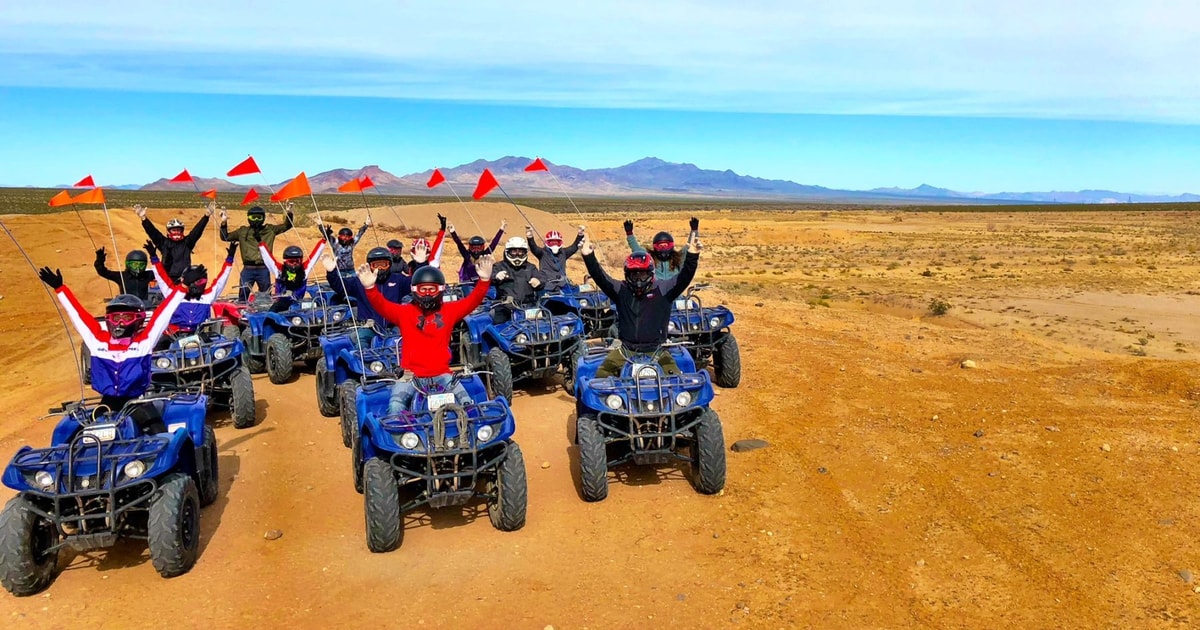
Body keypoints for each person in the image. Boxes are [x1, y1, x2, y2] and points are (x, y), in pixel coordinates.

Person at [39, 267, 185, 418]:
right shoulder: (96, 340)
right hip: (105, 405)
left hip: (136, 404)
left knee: (163, 436)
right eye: (116, 318)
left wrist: (183, 287)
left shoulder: (144, 342)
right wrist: (60, 289)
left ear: (139, 320)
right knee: (76, 437)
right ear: (108, 319)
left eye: (126, 318)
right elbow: (78, 314)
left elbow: (164, 313)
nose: (120, 323)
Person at [359, 254, 494, 413]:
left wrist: (484, 281)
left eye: (432, 289)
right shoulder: (404, 313)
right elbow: (381, 305)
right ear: (415, 290)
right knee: (395, 408)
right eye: (423, 289)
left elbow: (472, 300)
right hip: (410, 376)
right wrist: (370, 289)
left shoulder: (450, 311)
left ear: (441, 289)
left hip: (443, 374)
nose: (428, 294)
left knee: (468, 406)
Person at [581, 229, 701, 378]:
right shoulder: (621, 290)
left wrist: (692, 256)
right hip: (625, 350)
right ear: (627, 274)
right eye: (634, 273)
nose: (638, 279)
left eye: (642, 273)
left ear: (650, 274)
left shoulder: (663, 290)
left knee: (677, 383)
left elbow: (683, 278)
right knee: (600, 380)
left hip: (657, 351)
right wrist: (588, 256)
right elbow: (601, 278)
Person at [323, 247, 410, 346]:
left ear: (389, 265)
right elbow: (340, 286)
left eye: (383, 265)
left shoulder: (398, 279)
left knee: (405, 344)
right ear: (369, 266)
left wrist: (421, 263)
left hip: (394, 326)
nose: (380, 269)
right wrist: (331, 272)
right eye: (376, 265)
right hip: (369, 326)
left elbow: (417, 283)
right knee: (361, 345)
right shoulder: (360, 281)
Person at [150, 242, 238, 333]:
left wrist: (230, 259)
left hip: (200, 336)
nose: (196, 284)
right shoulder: (174, 294)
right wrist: (154, 258)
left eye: (200, 281)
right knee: (157, 345)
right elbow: (161, 277)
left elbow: (221, 279)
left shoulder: (208, 296)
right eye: (193, 280)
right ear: (185, 280)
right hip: (174, 335)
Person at [220, 204, 295, 300]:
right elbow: (225, 237)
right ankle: (242, 314)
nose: (256, 220)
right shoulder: (243, 232)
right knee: (243, 295)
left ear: (263, 218)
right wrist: (223, 222)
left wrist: (289, 213)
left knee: (265, 296)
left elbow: (287, 226)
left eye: (258, 217)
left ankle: (264, 313)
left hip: (263, 268)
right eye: (253, 217)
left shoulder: (269, 230)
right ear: (249, 218)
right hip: (248, 269)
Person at [136, 203, 212, 282]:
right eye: (173, 230)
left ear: (182, 231)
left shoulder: (188, 242)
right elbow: (153, 232)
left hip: (183, 280)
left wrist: (206, 216)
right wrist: (144, 218)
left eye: (178, 230)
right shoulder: (164, 243)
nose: (176, 232)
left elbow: (197, 231)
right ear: (169, 231)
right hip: (167, 279)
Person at [258, 240, 326, 312]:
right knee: (270, 315)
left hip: (298, 304)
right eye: (291, 261)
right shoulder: (279, 270)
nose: (294, 264)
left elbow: (315, 255)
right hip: (281, 304)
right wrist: (260, 243)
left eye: (297, 261)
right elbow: (268, 258)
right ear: (285, 261)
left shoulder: (305, 270)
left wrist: (323, 240)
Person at [490, 236, 548, 321]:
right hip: (505, 308)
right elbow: (487, 278)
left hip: (529, 307)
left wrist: (538, 281)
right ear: (508, 252)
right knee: (499, 327)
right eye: (514, 251)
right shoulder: (499, 266)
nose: (517, 254)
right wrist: (496, 276)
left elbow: (541, 278)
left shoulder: (530, 267)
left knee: (543, 325)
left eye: (520, 251)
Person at [623, 217, 699, 281]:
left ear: (671, 246)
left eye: (666, 245)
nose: (663, 248)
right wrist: (629, 233)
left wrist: (694, 230)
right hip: (656, 293)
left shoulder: (677, 258)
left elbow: (690, 245)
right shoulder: (650, 258)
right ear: (655, 247)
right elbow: (636, 249)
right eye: (660, 245)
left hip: (675, 293)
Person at [526, 225, 585, 291]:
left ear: (561, 242)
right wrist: (530, 237)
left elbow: (573, 247)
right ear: (546, 243)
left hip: (563, 285)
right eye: (551, 242)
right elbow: (533, 247)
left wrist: (580, 235)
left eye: (557, 242)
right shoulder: (542, 253)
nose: (554, 245)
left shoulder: (563, 253)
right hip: (546, 286)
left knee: (579, 293)